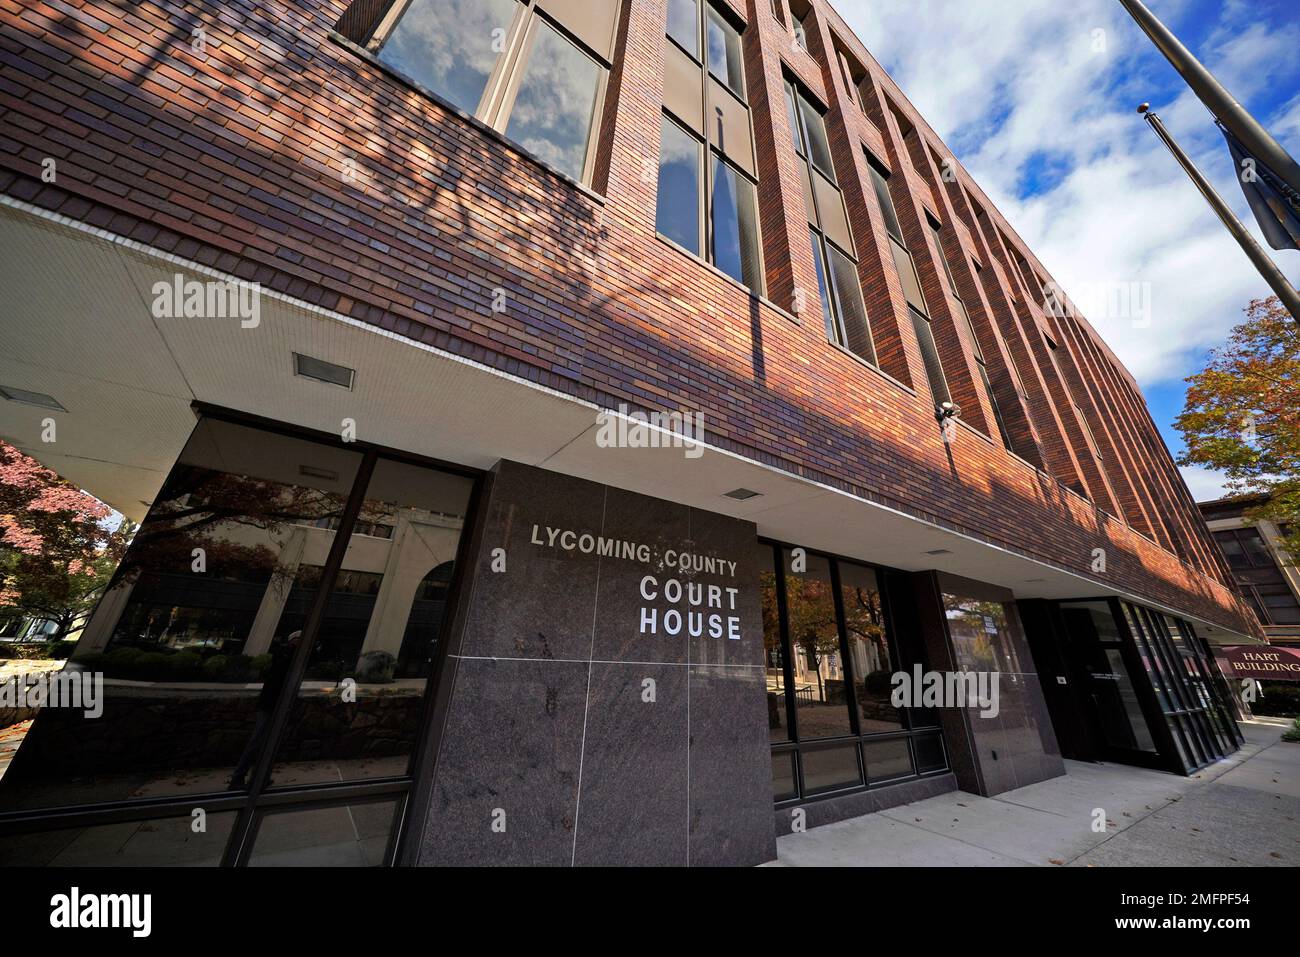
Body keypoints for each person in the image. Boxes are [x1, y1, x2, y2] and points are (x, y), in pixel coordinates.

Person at [228, 629, 301, 790]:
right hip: (271, 704)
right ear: (293, 641)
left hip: (276, 704)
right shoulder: (284, 655)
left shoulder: (289, 657)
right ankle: (240, 777)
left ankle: (259, 777)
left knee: (268, 742)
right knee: (258, 740)